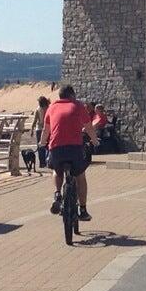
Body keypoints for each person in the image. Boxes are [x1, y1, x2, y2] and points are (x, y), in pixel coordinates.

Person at [43, 83, 98, 222]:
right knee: (80, 176)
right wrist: (95, 141)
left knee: (56, 169)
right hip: (74, 148)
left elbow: (46, 131)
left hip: (56, 148)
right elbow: (89, 127)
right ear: (72, 95)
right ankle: (83, 210)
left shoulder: (51, 107)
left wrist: (42, 143)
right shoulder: (78, 105)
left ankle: (57, 194)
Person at [28, 95, 51, 173]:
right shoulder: (48, 108)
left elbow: (35, 120)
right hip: (47, 128)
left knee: (40, 146)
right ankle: (47, 161)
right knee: (47, 145)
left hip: (39, 129)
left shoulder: (38, 109)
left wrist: (32, 130)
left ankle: (42, 163)